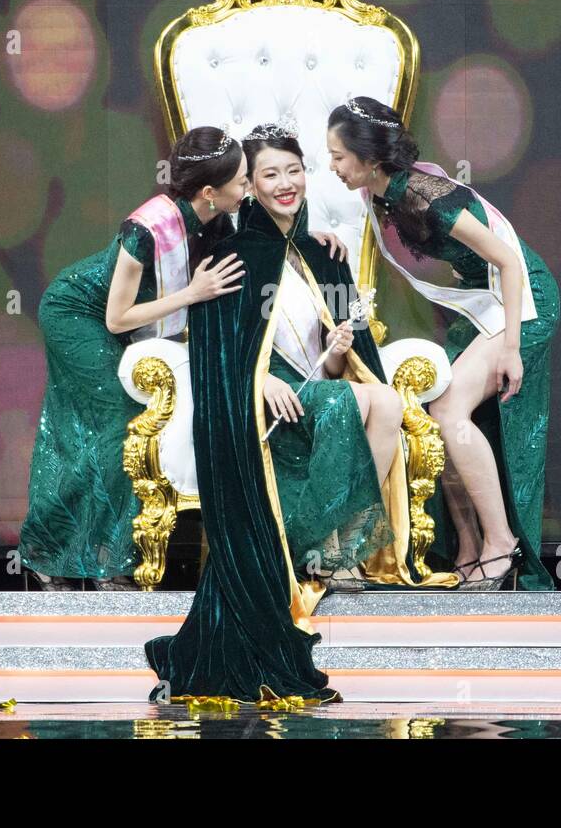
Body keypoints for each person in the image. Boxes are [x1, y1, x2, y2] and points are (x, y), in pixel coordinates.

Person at [144, 121, 452, 704]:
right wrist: (259, 383)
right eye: (269, 175)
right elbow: (218, 354)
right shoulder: (232, 254)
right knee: (362, 402)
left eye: (294, 170)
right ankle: (320, 554)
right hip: (264, 415)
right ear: (250, 187)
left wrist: (338, 352)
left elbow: (339, 369)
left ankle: (328, 549)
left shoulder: (325, 255)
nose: (285, 184)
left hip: (316, 398)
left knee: (380, 399)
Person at [327, 97, 559, 590]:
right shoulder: (382, 194)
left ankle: (502, 543)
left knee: (449, 412)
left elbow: (510, 262)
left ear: (369, 159)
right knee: (434, 408)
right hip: (481, 302)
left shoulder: (427, 196)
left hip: (520, 298)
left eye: (339, 156)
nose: (332, 166)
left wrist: (512, 347)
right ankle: (469, 546)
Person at [17, 127, 249, 591]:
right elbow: (118, 317)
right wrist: (191, 294)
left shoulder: (216, 221)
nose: (248, 188)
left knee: (97, 436)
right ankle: (80, 558)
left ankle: (71, 558)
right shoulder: (146, 230)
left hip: (115, 323)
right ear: (210, 191)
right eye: (242, 181)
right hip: (77, 315)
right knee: (119, 428)